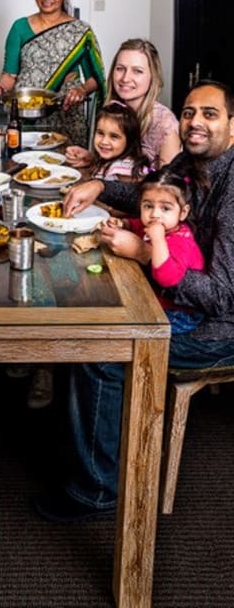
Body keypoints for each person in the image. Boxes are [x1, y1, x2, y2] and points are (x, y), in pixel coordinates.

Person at [34, 81, 234, 523]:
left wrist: (144, 252)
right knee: (84, 312)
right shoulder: (192, 159)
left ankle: (98, 489)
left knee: (102, 350)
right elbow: (150, 192)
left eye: (210, 114)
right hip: (176, 300)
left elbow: (221, 297)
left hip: (216, 329)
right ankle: (84, 441)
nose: (195, 122)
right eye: (188, 112)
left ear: (232, 124)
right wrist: (97, 186)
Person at [0, 0, 106, 146]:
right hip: (25, 115)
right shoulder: (19, 27)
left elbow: (95, 79)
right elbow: (10, 75)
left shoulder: (81, 31)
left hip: (67, 115)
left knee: (68, 170)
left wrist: (80, 91)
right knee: (23, 168)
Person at [104, 169, 205, 333]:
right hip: (155, 298)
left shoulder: (179, 241)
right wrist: (124, 224)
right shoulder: (159, 226)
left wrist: (158, 240)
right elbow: (138, 224)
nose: (155, 214)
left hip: (178, 313)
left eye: (165, 208)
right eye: (148, 206)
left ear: (183, 212)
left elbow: (167, 279)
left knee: (123, 330)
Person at [67, 38, 180, 170]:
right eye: (120, 69)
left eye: (137, 71)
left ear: (153, 77)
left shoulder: (165, 124)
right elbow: (119, 166)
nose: (125, 78)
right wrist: (92, 159)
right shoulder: (112, 109)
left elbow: (169, 186)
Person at [89, 101, 149, 182]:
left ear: (130, 139)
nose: (104, 141)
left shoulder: (123, 170)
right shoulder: (108, 160)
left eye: (114, 136)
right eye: (100, 133)